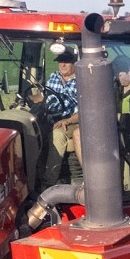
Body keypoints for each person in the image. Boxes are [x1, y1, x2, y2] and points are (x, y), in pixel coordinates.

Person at [36, 50, 81, 187]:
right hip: (51, 116)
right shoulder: (54, 77)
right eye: (60, 61)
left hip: (73, 119)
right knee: (32, 130)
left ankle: (48, 182)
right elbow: (44, 98)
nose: (62, 65)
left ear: (75, 63)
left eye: (66, 62)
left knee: (57, 134)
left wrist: (67, 121)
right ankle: (33, 175)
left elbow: (85, 110)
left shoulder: (81, 81)